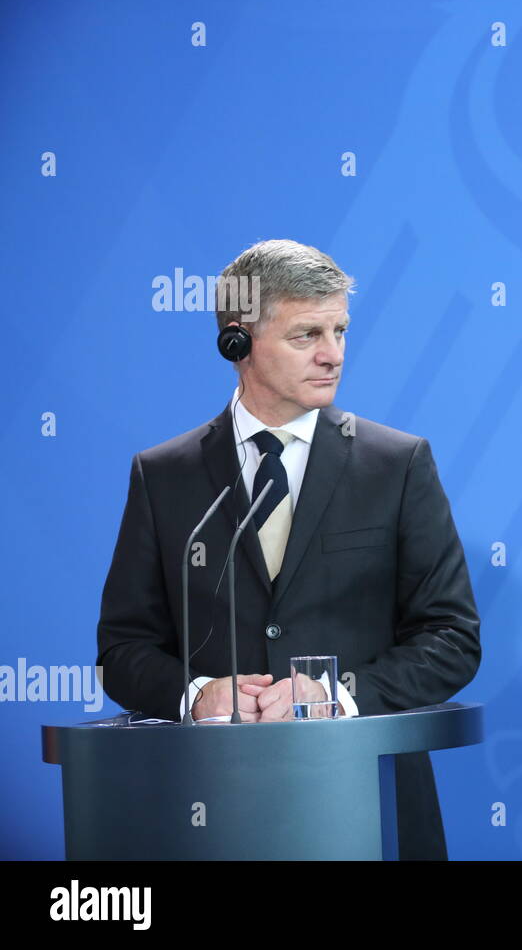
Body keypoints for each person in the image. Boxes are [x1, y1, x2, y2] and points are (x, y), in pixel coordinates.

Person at [96, 239, 480, 859]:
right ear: (237, 342)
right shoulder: (164, 476)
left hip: (366, 800)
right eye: (307, 335)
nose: (333, 355)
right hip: (213, 806)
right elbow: (122, 648)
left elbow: (451, 637)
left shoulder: (397, 465)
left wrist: (338, 695)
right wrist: (198, 695)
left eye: (340, 330)